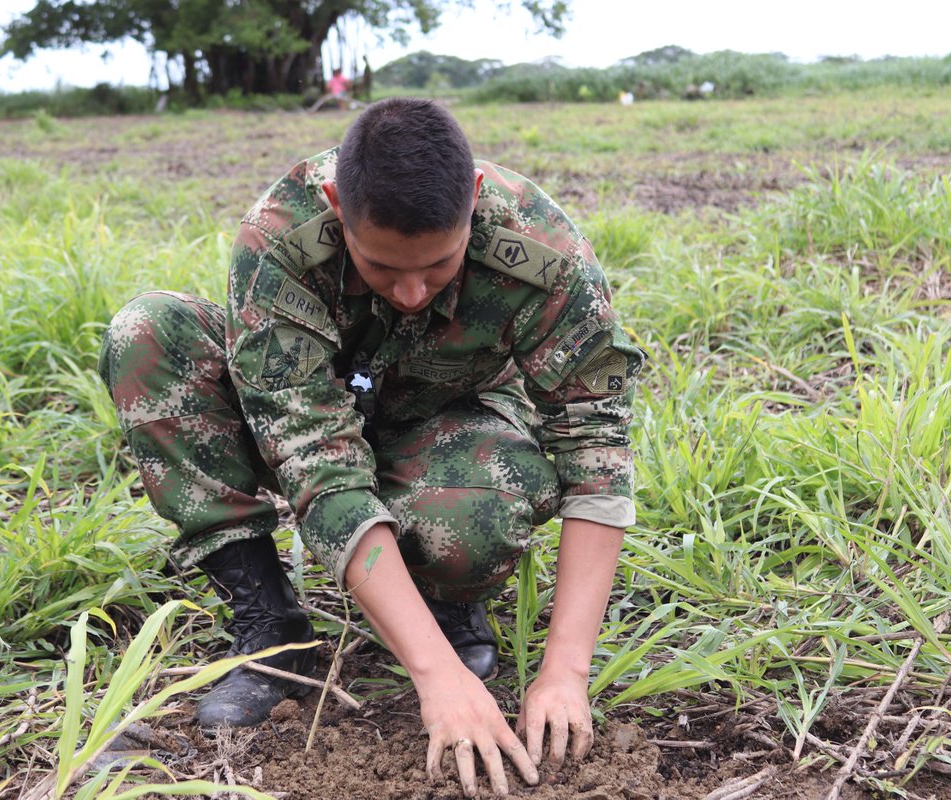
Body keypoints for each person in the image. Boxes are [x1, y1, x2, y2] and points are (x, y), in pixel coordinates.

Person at [98, 97, 645, 797]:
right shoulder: (282, 237)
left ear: (473, 203)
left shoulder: (542, 250)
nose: (412, 292)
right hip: (310, 414)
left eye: (438, 265)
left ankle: (447, 606)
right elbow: (321, 469)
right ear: (335, 206)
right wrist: (436, 679)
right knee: (149, 332)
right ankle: (272, 628)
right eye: (384, 268)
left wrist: (566, 671)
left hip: (442, 421)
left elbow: (595, 446)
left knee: (483, 506)